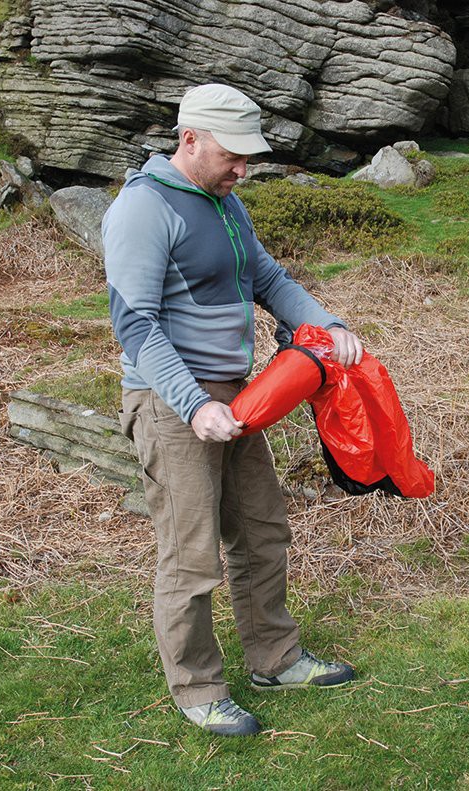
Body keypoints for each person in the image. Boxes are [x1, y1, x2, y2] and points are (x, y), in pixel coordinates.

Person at [103, 84, 362, 737]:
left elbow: (267, 279)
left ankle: (276, 659)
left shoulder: (224, 201)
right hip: (171, 402)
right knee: (191, 554)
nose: (242, 169)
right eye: (232, 156)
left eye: (248, 157)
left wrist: (326, 325)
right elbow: (134, 324)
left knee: (262, 531)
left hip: (238, 397)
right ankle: (197, 688)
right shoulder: (142, 207)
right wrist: (193, 405)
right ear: (189, 139)